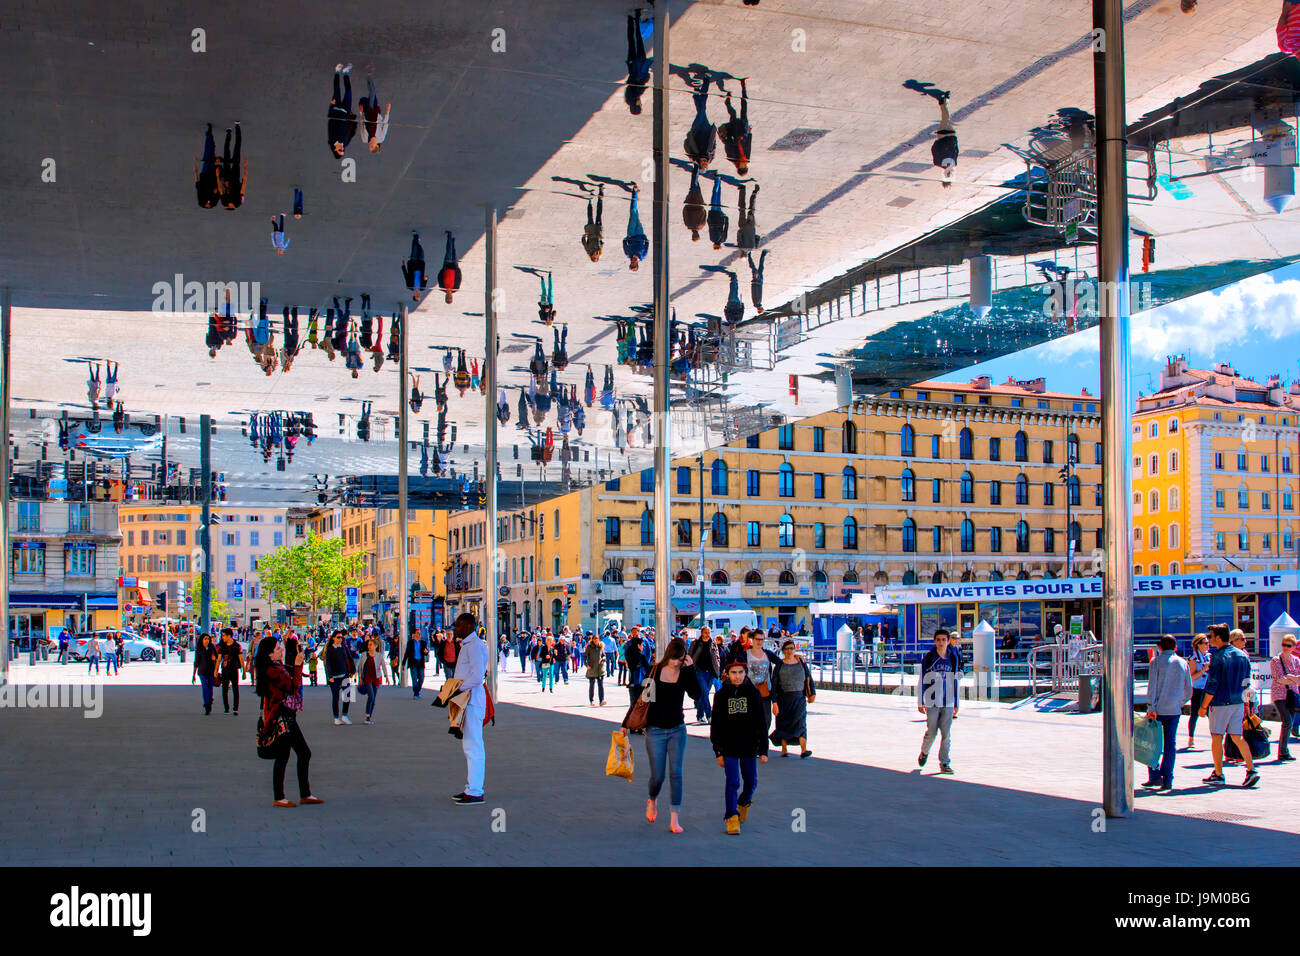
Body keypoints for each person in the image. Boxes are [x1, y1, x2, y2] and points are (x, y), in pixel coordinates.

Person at [631, 637, 699, 833]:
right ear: (669, 655)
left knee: (676, 774)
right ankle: (652, 799)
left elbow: (697, 694)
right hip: (655, 730)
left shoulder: (684, 672)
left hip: (678, 729)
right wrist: (628, 724)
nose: (678, 662)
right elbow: (642, 699)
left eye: (681, 658)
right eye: (675, 658)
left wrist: (690, 669)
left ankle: (674, 818)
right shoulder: (656, 671)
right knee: (658, 775)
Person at [254, 636, 323, 808]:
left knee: (283, 756)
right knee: (303, 753)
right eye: (277, 648)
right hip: (283, 716)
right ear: (270, 654)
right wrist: (299, 665)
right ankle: (301, 794)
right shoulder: (274, 670)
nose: (281, 649)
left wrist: (296, 664)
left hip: (280, 715)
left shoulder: (274, 668)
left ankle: (283, 796)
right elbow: (293, 686)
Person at [711, 657, 767, 834]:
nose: (737, 676)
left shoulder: (753, 694)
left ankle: (743, 802)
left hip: (749, 746)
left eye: (740, 672)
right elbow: (716, 725)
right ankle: (731, 816)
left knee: (751, 782)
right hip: (729, 746)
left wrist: (764, 749)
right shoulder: (721, 695)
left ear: (745, 673)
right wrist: (718, 751)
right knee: (733, 781)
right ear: (728, 674)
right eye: (733, 673)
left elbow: (761, 723)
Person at [1199, 624, 1259, 788]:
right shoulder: (1242, 655)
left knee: (1217, 737)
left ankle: (1218, 773)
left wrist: (1203, 706)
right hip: (1237, 702)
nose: (1209, 640)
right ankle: (1251, 769)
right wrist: (1246, 703)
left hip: (1220, 703)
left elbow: (1212, 685)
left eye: (1211, 636)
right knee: (1237, 737)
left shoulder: (1217, 657)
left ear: (1218, 637)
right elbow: (1247, 682)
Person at [450, 613, 490, 805]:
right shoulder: (472, 645)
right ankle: (471, 787)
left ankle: (475, 790)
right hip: (467, 700)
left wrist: (456, 687)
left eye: (457, 625)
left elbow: (477, 676)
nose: (455, 628)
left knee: (473, 745)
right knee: (469, 745)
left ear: (467, 626)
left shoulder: (473, 646)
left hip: (471, 700)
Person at [1143, 635, 1192, 791]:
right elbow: (1188, 689)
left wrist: (1151, 707)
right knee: (1171, 743)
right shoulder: (1183, 663)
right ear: (1175, 647)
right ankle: (1168, 778)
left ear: (1160, 647)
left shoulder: (1156, 662)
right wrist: (1180, 702)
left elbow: (1152, 686)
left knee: (1153, 744)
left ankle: (1154, 775)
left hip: (1157, 710)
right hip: (1174, 710)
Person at [917, 628, 961, 773]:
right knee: (931, 732)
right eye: (939, 640)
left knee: (946, 734)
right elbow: (922, 679)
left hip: (948, 700)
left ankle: (944, 763)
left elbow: (955, 681)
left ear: (948, 641)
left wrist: (956, 702)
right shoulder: (929, 657)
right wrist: (920, 701)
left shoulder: (952, 658)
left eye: (944, 640)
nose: (941, 643)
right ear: (935, 641)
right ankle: (924, 752)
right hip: (932, 700)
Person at [770, 638, 816, 758]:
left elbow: (809, 678)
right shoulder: (779, 665)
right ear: (783, 651)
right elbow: (774, 684)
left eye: (791, 648)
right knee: (783, 724)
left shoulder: (801, 663)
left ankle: (804, 749)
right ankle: (784, 749)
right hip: (784, 698)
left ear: (795, 649)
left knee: (801, 723)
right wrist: (774, 702)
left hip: (799, 697)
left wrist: (813, 694)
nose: (789, 651)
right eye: (787, 649)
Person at [1269, 633, 1300, 761]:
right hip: (1279, 694)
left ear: (1293, 647)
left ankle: (1283, 752)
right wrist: (1294, 679)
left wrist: (1291, 679)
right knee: (1287, 720)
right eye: (1283, 645)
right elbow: (1279, 679)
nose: (1285, 647)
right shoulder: (1276, 660)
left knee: (1289, 722)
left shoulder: (1296, 660)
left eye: (1288, 645)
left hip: (1292, 694)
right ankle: (1283, 751)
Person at [683, 71, 716, 169]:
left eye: (703, 165)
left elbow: (686, 145)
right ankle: (696, 92)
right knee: (702, 109)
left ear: (700, 164)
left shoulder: (693, 156)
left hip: (697, 129)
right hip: (706, 129)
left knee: (702, 110)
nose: (705, 163)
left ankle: (706, 80)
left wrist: (690, 136)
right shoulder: (710, 157)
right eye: (706, 165)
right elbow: (713, 146)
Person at [688, 625, 720, 724]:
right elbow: (690, 656)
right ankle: (709, 715)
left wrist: (718, 667)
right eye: (705, 632)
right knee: (705, 692)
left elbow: (717, 656)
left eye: (709, 632)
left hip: (711, 672)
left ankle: (700, 715)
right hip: (699, 671)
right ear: (702, 633)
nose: (707, 635)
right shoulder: (696, 643)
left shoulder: (713, 643)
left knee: (703, 694)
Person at [719, 79, 752, 175]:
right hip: (744, 132)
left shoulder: (731, 158)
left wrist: (730, 139)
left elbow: (727, 145)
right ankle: (744, 88)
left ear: (738, 167)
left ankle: (728, 103)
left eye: (743, 166)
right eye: (745, 166)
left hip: (734, 133)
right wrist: (749, 133)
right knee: (744, 111)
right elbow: (749, 146)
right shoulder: (747, 159)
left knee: (733, 113)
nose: (745, 164)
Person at [323, 630, 354, 725]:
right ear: (333, 638)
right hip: (334, 677)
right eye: (338, 637)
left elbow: (349, 659)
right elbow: (327, 664)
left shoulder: (343, 647)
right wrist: (329, 676)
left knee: (348, 696)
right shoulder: (330, 650)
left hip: (344, 675)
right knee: (336, 697)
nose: (340, 639)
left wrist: (352, 671)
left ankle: (345, 715)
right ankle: (336, 718)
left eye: (341, 637)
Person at [624, 8, 652, 113]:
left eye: (640, 105)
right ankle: (631, 20)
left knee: (639, 40)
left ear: (637, 105)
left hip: (639, 65)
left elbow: (644, 84)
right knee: (631, 41)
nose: (641, 103)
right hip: (632, 65)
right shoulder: (628, 98)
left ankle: (637, 17)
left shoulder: (636, 94)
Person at [328, 63, 357, 157]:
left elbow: (330, 123)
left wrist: (331, 106)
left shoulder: (332, 139)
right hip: (346, 112)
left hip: (336, 109)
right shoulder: (345, 142)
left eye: (340, 150)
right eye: (343, 150)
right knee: (349, 91)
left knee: (337, 90)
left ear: (335, 149)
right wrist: (352, 117)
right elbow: (351, 131)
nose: (342, 148)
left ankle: (337, 72)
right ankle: (345, 73)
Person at [1187, 633, 1210, 749]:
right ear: (1198, 645)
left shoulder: (1209, 657)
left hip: (1207, 688)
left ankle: (1216, 736)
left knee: (1211, 713)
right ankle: (1191, 738)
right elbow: (1191, 677)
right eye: (1205, 643)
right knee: (1194, 714)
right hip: (1197, 689)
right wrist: (1203, 670)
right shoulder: (1193, 659)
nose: (1208, 645)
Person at [359, 74, 391, 152]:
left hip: (368, 113)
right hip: (376, 113)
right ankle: (369, 79)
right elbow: (385, 125)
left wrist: (361, 113)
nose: (370, 144)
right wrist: (387, 111)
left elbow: (362, 125)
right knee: (373, 93)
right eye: (372, 146)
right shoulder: (381, 138)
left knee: (372, 92)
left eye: (369, 146)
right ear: (377, 145)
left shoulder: (365, 139)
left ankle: (368, 76)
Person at [218, 123, 246, 210]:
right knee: (227, 151)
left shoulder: (237, 203)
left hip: (234, 175)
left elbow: (242, 190)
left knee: (237, 149)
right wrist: (217, 177)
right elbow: (220, 188)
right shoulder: (226, 203)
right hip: (229, 176)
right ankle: (229, 133)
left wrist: (245, 176)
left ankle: (237, 128)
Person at [216, 627, 243, 715]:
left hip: (234, 669)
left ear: (229, 636)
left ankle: (235, 708)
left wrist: (244, 670)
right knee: (224, 689)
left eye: (224, 635)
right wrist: (216, 670)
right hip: (225, 669)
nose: (222, 637)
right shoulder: (222, 646)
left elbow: (241, 658)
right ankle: (226, 708)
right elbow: (219, 659)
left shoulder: (237, 646)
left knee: (235, 689)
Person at [358, 636, 384, 724]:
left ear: (375, 646)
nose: (369, 646)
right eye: (368, 645)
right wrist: (360, 678)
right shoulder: (364, 655)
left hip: (375, 678)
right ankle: (367, 716)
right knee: (371, 696)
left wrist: (386, 676)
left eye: (371, 645)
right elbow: (360, 667)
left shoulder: (379, 655)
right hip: (367, 678)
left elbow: (383, 665)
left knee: (374, 699)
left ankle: (369, 715)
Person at [623, 185, 649, 270]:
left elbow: (624, 242)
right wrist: (643, 236)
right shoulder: (643, 255)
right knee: (636, 214)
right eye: (634, 264)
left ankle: (634, 193)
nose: (632, 262)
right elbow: (647, 243)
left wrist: (627, 237)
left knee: (633, 213)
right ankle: (635, 194)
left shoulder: (628, 253)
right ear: (637, 263)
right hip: (639, 232)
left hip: (631, 233)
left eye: (631, 264)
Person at [194, 123, 220, 208]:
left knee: (207, 159)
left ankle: (209, 138)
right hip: (212, 176)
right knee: (210, 158)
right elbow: (218, 191)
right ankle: (210, 140)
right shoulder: (214, 201)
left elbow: (198, 185)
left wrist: (195, 172)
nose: (208, 204)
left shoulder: (201, 199)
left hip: (205, 175)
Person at [192, 635, 217, 711]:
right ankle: (206, 704)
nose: (207, 640)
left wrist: (214, 659)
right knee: (205, 687)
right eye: (205, 639)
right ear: (202, 640)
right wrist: (194, 674)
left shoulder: (212, 647)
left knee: (210, 687)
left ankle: (209, 700)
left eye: (208, 639)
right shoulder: (199, 649)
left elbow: (217, 657)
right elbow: (196, 662)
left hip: (211, 670)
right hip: (202, 671)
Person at [401, 232, 428, 302]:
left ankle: (415, 236)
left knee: (414, 249)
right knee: (421, 251)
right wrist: (426, 278)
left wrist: (403, 265)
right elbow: (426, 279)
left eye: (417, 296)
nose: (418, 294)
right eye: (419, 296)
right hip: (421, 265)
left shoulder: (410, 286)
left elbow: (406, 276)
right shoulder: (422, 288)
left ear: (414, 295)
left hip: (413, 265)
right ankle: (417, 241)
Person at [403, 629, 429, 698]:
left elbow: (426, 652)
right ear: (414, 634)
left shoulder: (423, 642)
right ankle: (416, 693)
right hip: (413, 662)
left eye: (420, 633)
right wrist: (403, 663)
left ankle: (418, 689)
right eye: (418, 633)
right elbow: (407, 653)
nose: (419, 635)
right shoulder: (410, 642)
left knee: (422, 677)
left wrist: (426, 652)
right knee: (414, 679)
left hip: (420, 662)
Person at [683, 164, 706, 241]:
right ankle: (696, 169)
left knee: (695, 186)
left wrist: (702, 208)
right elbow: (685, 213)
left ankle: (696, 168)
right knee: (694, 185)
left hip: (699, 202)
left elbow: (705, 214)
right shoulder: (688, 225)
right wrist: (686, 206)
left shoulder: (701, 225)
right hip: (690, 202)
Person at [582, 184, 604, 260]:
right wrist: (601, 239)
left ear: (591, 256)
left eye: (594, 257)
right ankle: (600, 197)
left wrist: (584, 235)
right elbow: (602, 243)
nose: (595, 256)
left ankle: (590, 201)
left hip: (591, 231)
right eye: (596, 257)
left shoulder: (588, 250)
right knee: (599, 214)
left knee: (590, 216)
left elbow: (583, 242)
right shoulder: (599, 251)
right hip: (598, 231)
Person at [439, 231, 461, 303]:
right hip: (454, 267)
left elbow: (439, 277)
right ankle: (452, 242)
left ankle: (449, 236)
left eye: (447, 298)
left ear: (445, 297)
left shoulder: (442, 287)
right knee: (453, 252)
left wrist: (442, 270)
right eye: (450, 298)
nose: (449, 297)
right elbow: (458, 278)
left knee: (448, 252)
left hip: (446, 266)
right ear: (452, 297)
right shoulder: (455, 288)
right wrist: (457, 269)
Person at [584, 632, 606, 706]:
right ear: (592, 640)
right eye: (594, 639)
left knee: (601, 685)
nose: (596, 640)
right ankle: (591, 700)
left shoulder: (601, 646)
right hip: (592, 668)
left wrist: (603, 659)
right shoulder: (589, 647)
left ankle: (602, 700)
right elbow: (584, 656)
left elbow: (603, 655)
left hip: (600, 669)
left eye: (597, 639)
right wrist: (586, 665)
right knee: (592, 685)